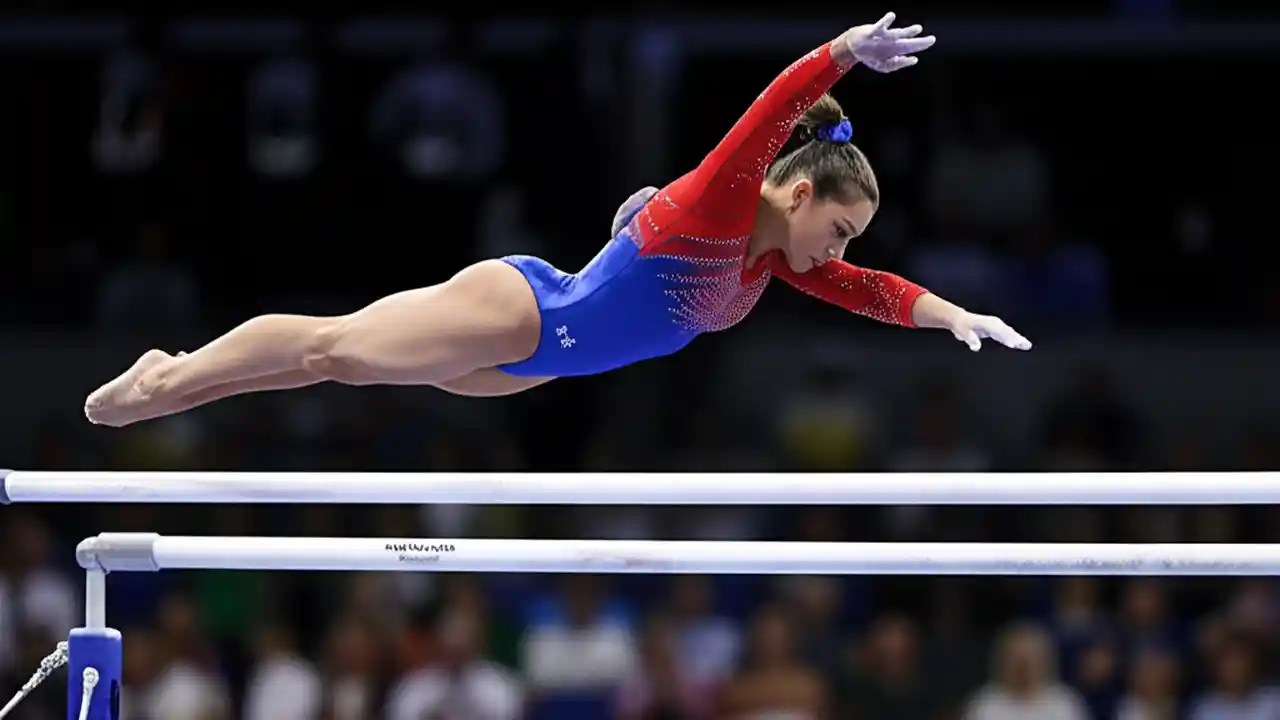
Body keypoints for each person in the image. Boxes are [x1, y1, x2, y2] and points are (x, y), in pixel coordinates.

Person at [85, 12, 1029, 429]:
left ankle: (176, 381)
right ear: (798, 194)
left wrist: (956, 316)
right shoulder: (721, 200)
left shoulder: (774, 263)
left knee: (344, 363)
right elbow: (770, 110)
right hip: (525, 312)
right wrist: (843, 52)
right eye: (841, 228)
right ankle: (169, 377)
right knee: (339, 352)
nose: (841, 250)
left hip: (528, 367)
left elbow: (873, 292)